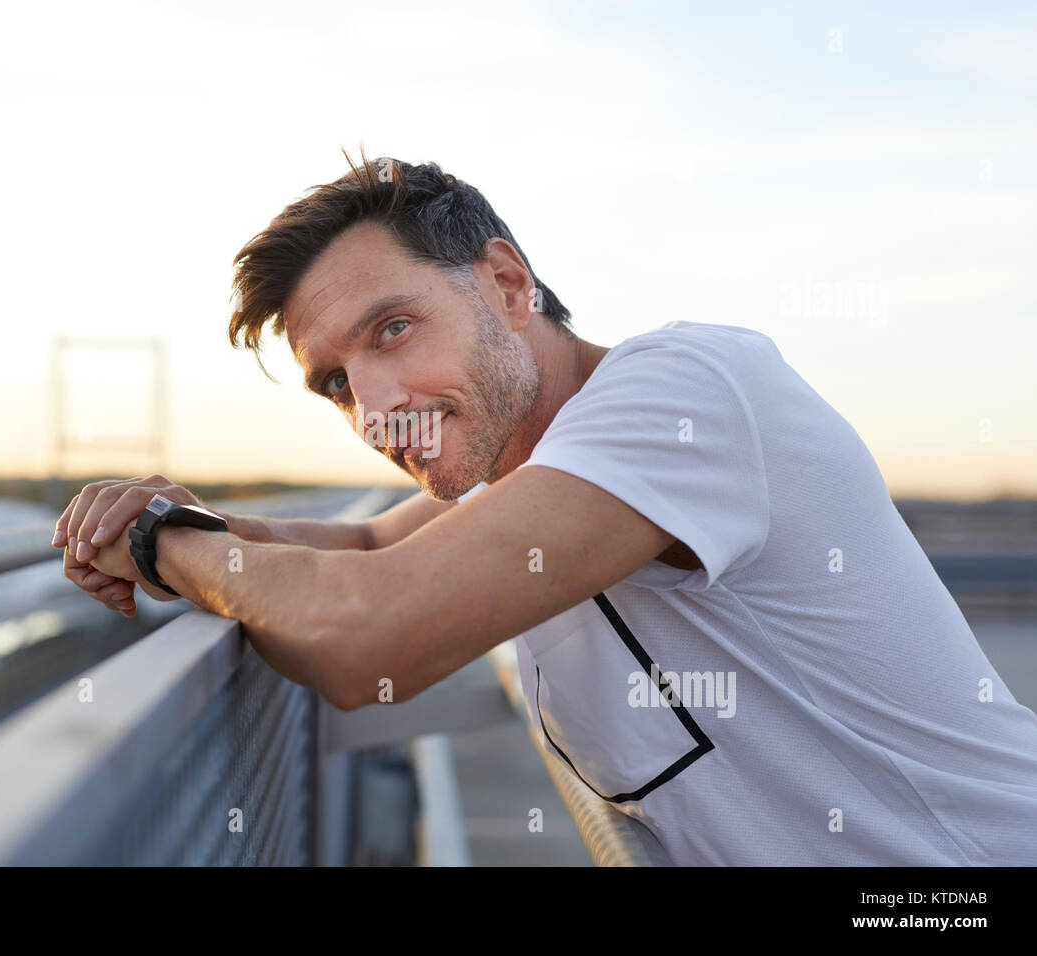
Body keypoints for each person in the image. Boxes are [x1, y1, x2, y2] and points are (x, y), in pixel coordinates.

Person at [52, 152, 1037, 866]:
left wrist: (161, 543)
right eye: (338, 385)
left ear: (508, 284)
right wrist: (171, 519)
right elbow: (354, 544)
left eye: (393, 328)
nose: (377, 406)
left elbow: (366, 632)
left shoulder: (685, 389)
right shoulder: (530, 475)